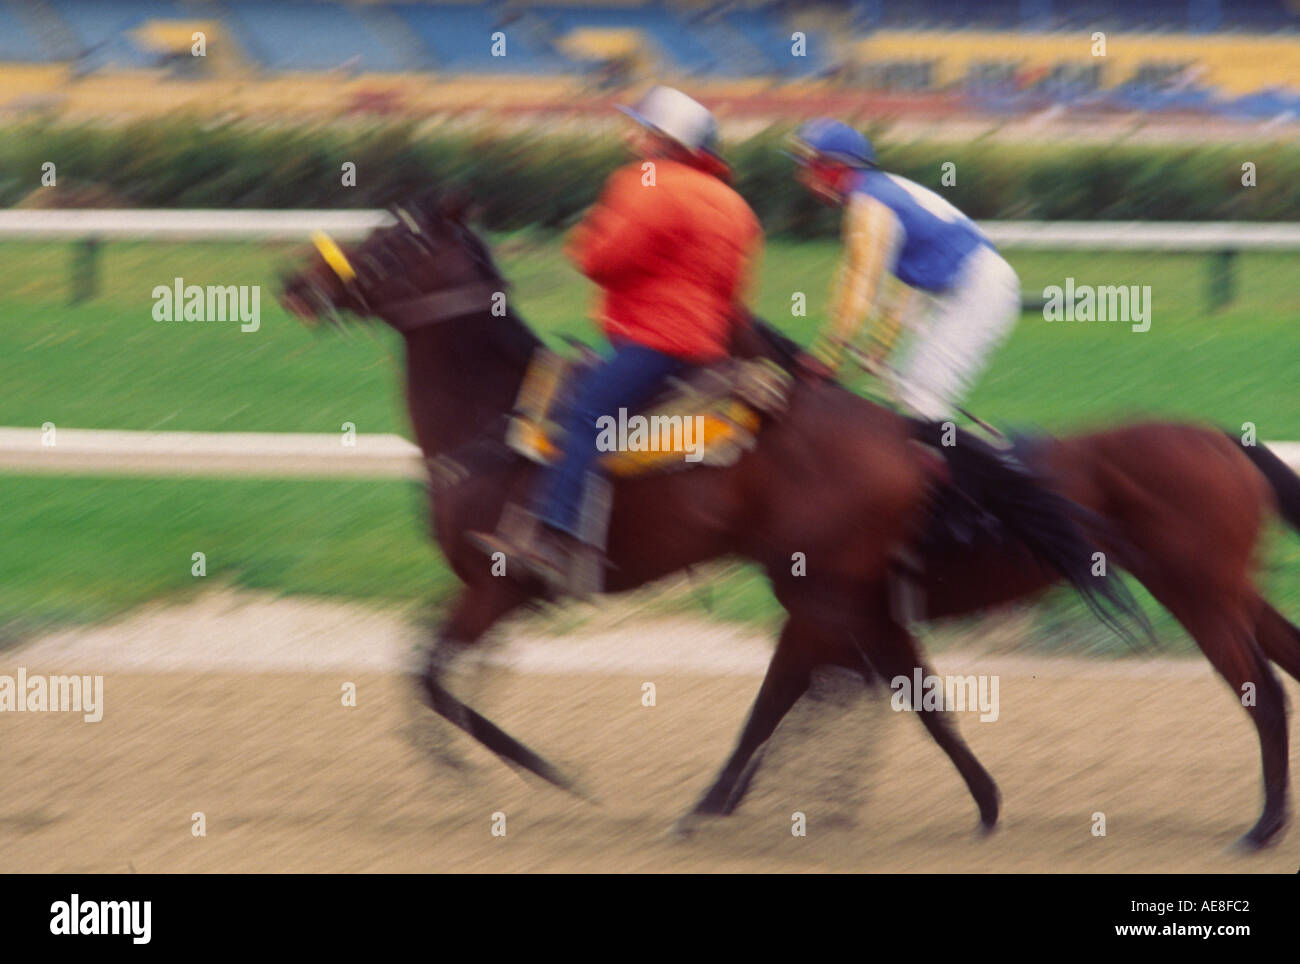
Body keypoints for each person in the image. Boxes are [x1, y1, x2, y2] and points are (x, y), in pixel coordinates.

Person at [472, 86, 762, 594]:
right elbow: (734, 293)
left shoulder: (644, 181)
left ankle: (552, 540)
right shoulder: (734, 204)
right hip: (703, 345)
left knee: (586, 417)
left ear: (663, 141)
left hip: (652, 340)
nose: (631, 137)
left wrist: (586, 233)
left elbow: (599, 260)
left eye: (641, 129)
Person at [788, 118, 1021, 422]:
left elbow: (858, 286)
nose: (801, 178)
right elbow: (906, 282)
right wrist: (880, 345)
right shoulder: (879, 191)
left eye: (806, 167)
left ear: (832, 168)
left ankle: (949, 463)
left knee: (921, 400)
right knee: (904, 393)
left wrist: (827, 354)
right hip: (963, 287)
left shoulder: (869, 206)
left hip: (978, 289)